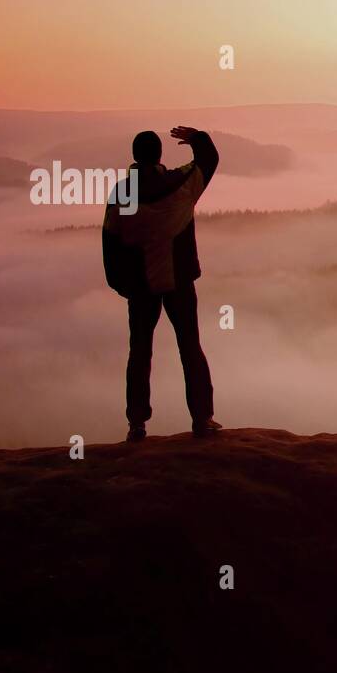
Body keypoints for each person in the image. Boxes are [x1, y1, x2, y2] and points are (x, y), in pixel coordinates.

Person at [102, 126, 220, 441]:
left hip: (140, 287)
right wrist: (197, 138)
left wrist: (120, 285)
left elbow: (111, 244)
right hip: (179, 282)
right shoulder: (179, 183)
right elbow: (209, 161)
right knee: (190, 347)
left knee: (139, 352)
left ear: (134, 156)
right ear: (159, 155)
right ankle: (202, 418)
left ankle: (137, 424)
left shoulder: (121, 194)